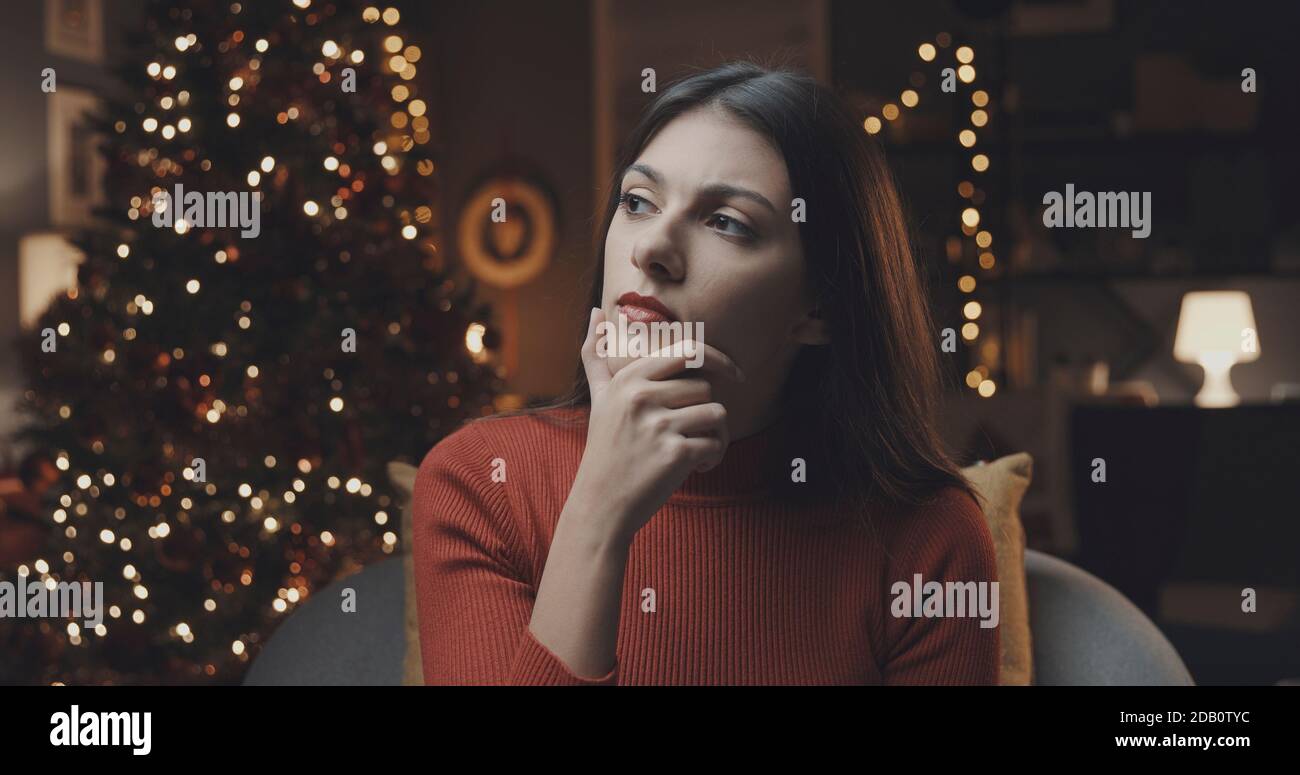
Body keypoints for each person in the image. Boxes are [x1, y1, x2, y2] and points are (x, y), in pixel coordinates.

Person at [412, 61, 1000, 685]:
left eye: (727, 222)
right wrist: (599, 512)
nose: (652, 248)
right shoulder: (480, 483)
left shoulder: (929, 541)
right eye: (637, 202)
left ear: (820, 306)